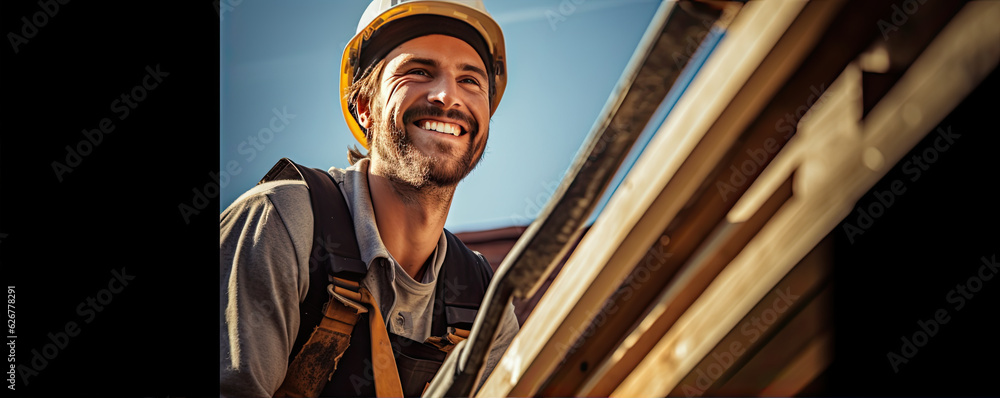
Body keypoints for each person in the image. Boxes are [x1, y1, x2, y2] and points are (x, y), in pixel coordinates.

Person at [219, 0, 519, 396]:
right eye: (418, 71)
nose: (448, 96)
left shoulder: (482, 298)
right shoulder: (283, 224)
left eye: (470, 81)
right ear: (365, 107)